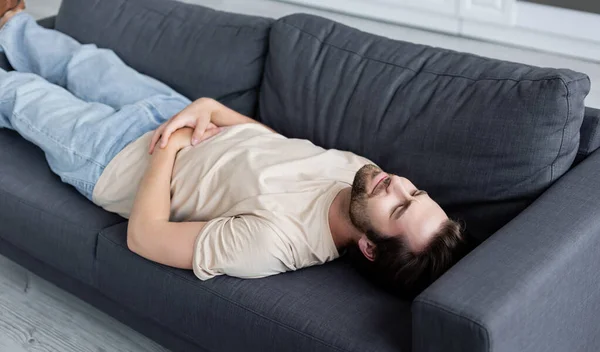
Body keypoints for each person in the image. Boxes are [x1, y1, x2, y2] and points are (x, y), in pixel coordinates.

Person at [0, 2, 466, 299]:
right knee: (81, 61)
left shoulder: (277, 243)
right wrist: (211, 109)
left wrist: (170, 148)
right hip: (177, 114)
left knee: (19, 94)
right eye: (415, 191)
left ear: (368, 247)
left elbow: (144, 237)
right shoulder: (359, 176)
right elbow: (272, 146)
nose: (398, 183)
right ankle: (10, 23)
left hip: (117, 159)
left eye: (400, 206)